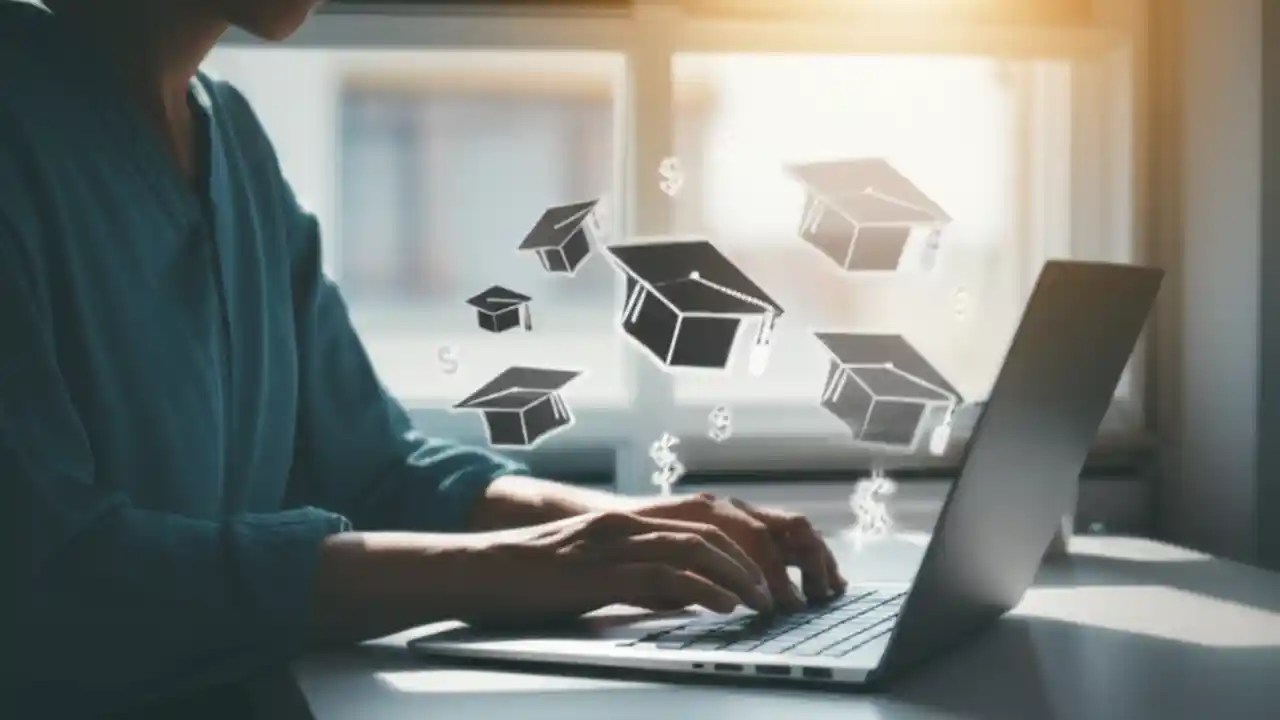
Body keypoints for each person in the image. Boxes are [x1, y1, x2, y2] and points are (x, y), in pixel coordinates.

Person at [2, 0, 847, 716]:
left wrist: (629, 532)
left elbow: (372, 465)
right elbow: (52, 580)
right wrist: (513, 569)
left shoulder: (235, 143)